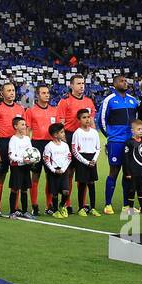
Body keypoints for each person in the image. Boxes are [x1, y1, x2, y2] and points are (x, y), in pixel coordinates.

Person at [99, 74, 139, 215]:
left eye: (126, 81)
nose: (125, 83)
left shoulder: (133, 101)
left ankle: (126, 206)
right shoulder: (109, 100)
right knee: (114, 171)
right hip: (116, 142)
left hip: (131, 142)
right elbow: (102, 120)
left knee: (129, 173)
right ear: (115, 84)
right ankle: (108, 204)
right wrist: (110, 136)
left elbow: (139, 118)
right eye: (122, 81)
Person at [56, 74, 95, 214]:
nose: (81, 86)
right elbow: (60, 123)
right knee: (70, 172)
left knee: (83, 173)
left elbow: (92, 122)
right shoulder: (64, 102)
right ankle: (67, 202)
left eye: (83, 83)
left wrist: (94, 136)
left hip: (85, 138)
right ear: (71, 85)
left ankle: (82, 204)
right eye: (78, 83)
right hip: (70, 136)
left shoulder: (89, 102)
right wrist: (63, 139)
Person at [24, 83, 60, 217]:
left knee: (50, 176)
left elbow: (58, 130)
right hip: (36, 145)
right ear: (37, 95)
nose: (47, 95)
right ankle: (34, 205)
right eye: (44, 93)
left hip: (51, 146)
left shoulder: (54, 110)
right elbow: (27, 130)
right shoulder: (31, 111)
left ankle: (49, 205)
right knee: (35, 176)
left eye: (48, 93)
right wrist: (27, 147)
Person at [0, 81, 22, 217]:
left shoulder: (20, 109)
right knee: (1, 175)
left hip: (16, 143)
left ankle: (14, 207)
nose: (11, 93)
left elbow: (23, 128)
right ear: (2, 93)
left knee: (17, 176)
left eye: (13, 90)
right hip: (2, 143)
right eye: (8, 90)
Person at [70, 108, 102, 216]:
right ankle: (81, 208)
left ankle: (93, 208)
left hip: (92, 159)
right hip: (82, 159)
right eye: (84, 118)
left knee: (92, 184)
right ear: (79, 120)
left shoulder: (94, 132)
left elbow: (98, 148)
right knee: (82, 184)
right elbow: (74, 150)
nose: (87, 119)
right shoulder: (77, 133)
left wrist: (93, 160)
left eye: (88, 117)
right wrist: (85, 161)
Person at [42, 122, 72, 217]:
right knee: (54, 193)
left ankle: (62, 205)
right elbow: (46, 160)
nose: (64, 134)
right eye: (62, 132)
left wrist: (63, 169)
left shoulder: (65, 145)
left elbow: (69, 158)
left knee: (66, 191)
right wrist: (53, 170)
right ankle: (55, 211)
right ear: (55, 135)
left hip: (64, 171)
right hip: (54, 171)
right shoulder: (49, 146)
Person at [120, 119, 142, 213]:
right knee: (132, 190)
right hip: (132, 172)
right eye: (139, 129)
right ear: (132, 130)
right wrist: (127, 172)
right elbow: (125, 159)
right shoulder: (129, 142)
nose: (141, 131)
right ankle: (130, 208)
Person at [6, 116, 34, 219]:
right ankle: (12, 212)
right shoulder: (13, 140)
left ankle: (25, 211)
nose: (25, 126)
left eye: (25, 124)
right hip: (16, 167)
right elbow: (11, 155)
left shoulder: (27, 138)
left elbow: (30, 151)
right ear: (15, 126)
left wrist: (32, 159)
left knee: (24, 189)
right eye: (22, 124)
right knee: (14, 189)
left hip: (26, 167)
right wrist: (22, 160)